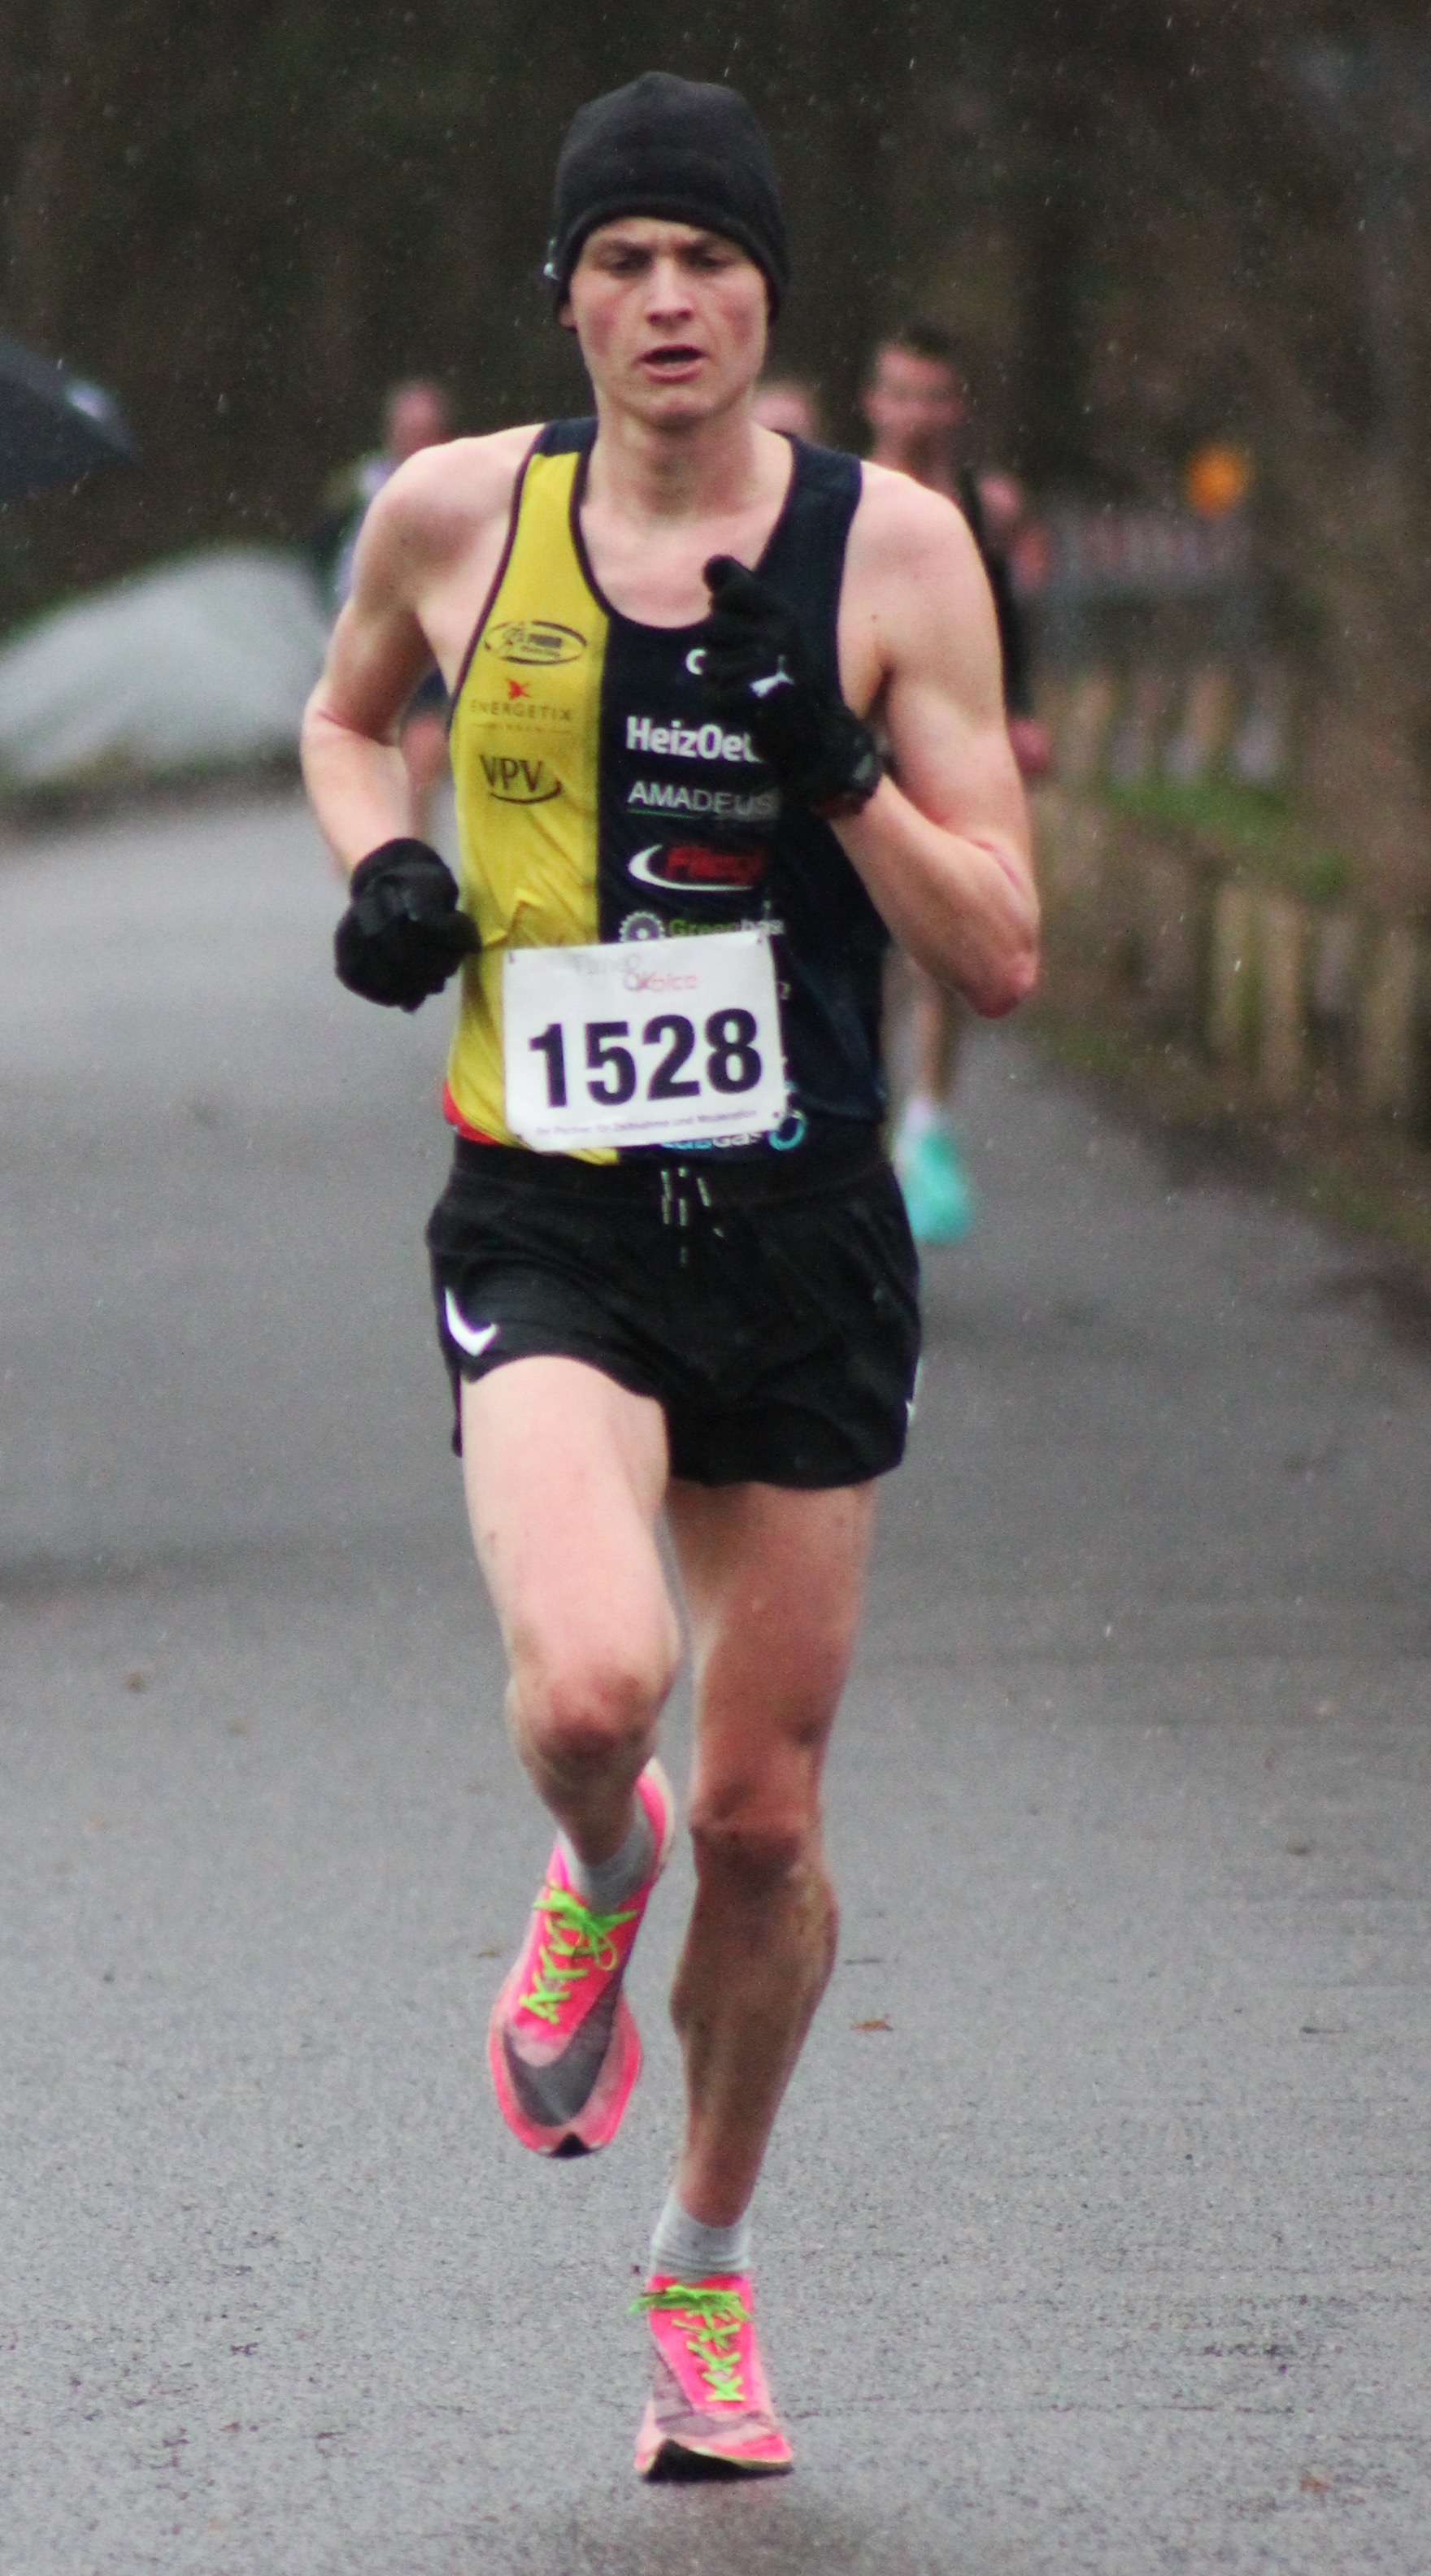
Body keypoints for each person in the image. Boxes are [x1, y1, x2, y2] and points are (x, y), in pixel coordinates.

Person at [302, 71, 1037, 2481]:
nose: (665, 299)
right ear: (565, 296)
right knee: (599, 1684)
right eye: (619, 259)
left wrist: (843, 773)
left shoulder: (893, 552)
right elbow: (342, 719)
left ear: (763, 292)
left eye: (705, 258)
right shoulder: (454, 514)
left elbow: (999, 950)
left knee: (763, 1823)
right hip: (552, 1204)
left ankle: (700, 2269)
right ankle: (585, 1864)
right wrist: (379, 865)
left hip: (803, 1233)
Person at [863, 324, 1050, 1245]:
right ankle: (872, 1123)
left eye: (932, 396)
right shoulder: (842, 497)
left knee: (950, 944)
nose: (916, 413)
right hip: (865, 755)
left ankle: (927, 1124)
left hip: (952, 751)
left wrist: (1021, 714)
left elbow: (1007, 623)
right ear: (873, 402)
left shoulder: (987, 506)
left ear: (957, 408)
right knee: (873, 958)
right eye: (901, 393)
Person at [316, 379, 456, 839]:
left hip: (430, 638)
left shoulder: (461, 483)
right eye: (408, 431)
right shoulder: (358, 490)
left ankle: (415, 844)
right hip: (371, 634)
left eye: (426, 431)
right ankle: (375, 844)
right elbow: (321, 556)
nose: (417, 442)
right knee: (366, 749)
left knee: (423, 750)